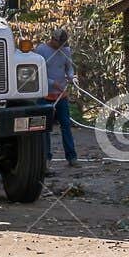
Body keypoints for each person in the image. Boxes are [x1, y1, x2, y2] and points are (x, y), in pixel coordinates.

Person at [35, 27, 77, 169]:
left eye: (63, 44)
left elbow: (69, 68)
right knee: (45, 129)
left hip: (61, 95)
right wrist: (53, 83)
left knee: (66, 125)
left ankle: (72, 157)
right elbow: (37, 74)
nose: (61, 47)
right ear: (53, 39)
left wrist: (71, 77)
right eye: (59, 43)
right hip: (45, 95)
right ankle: (46, 159)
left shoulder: (66, 51)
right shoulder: (41, 50)